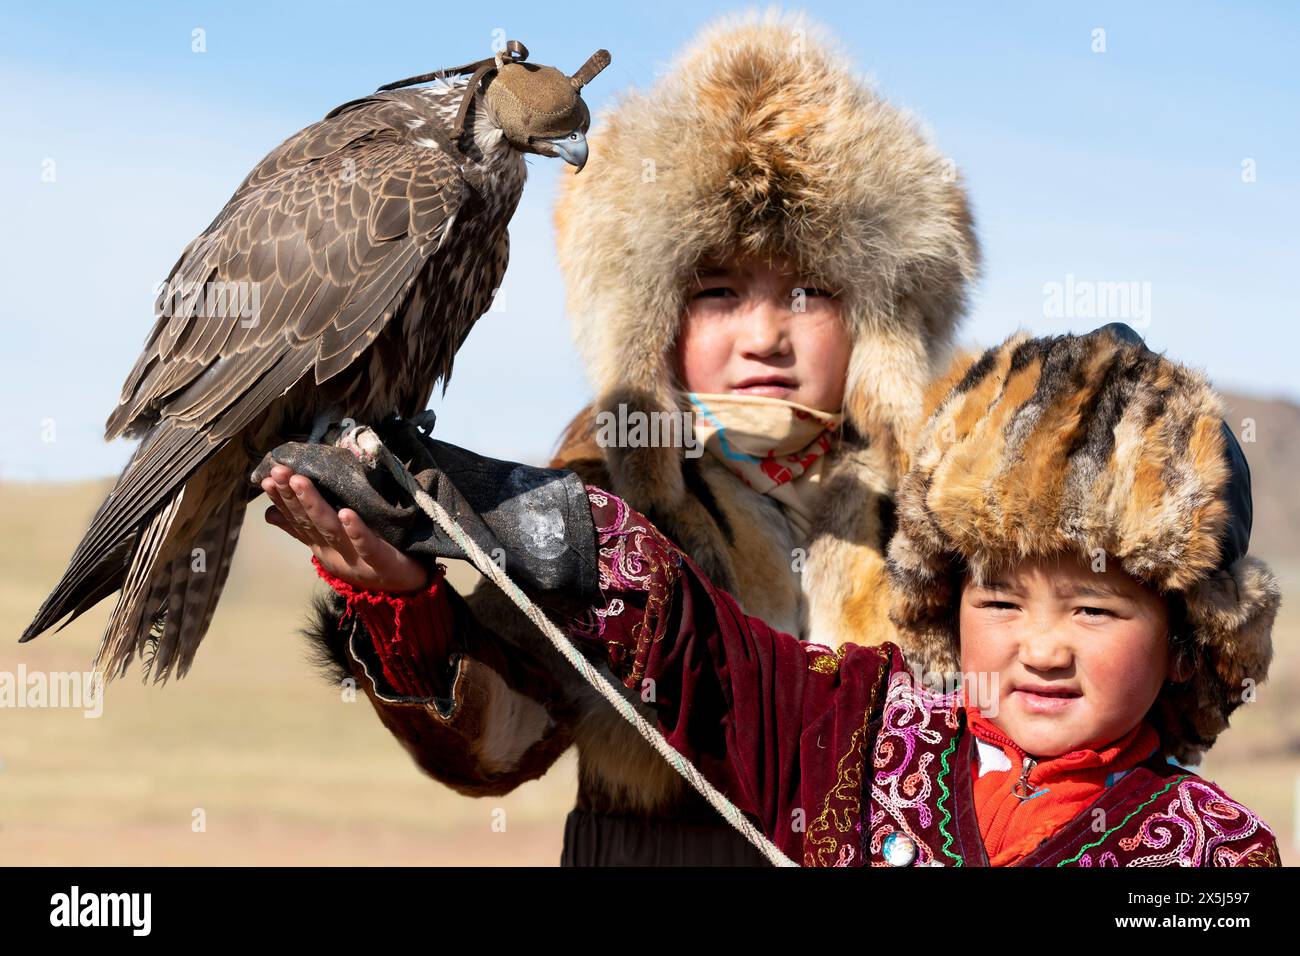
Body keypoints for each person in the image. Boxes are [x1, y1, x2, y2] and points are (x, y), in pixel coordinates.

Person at [273, 10, 979, 865]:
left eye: (809, 292)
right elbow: (501, 745)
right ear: (654, 320)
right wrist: (410, 609)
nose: (765, 336)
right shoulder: (598, 491)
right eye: (717, 291)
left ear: (882, 314)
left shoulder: (956, 502)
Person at [283, 324, 1280, 866]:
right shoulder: (867, 718)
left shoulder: (1208, 854)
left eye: (1095, 607)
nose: (1041, 647)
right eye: (1002, 598)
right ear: (943, 594)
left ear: (1188, 635)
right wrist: (477, 511)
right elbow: (693, 645)